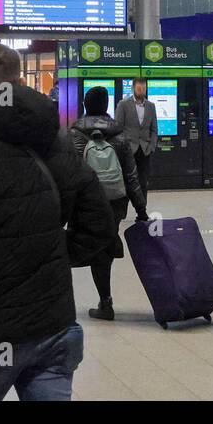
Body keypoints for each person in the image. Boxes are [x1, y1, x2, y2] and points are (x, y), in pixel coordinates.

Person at [0, 41, 113, 401]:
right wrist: (53, 253)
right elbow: (100, 226)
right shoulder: (58, 146)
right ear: (18, 80)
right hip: (55, 327)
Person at [72, 84, 147, 321]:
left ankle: (59, 303)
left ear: (85, 105)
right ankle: (105, 302)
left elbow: (66, 173)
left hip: (83, 203)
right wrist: (141, 208)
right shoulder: (119, 135)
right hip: (114, 202)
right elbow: (131, 175)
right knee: (104, 248)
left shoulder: (74, 134)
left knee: (74, 245)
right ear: (106, 106)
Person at [116, 78, 158, 198]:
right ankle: (123, 211)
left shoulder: (151, 106)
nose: (141, 91)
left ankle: (142, 212)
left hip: (145, 151)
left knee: (143, 182)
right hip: (128, 150)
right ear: (133, 88)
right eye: (139, 89)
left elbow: (154, 129)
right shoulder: (123, 105)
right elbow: (118, 128)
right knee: (126, 181)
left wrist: (151, 147)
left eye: (144, 89)